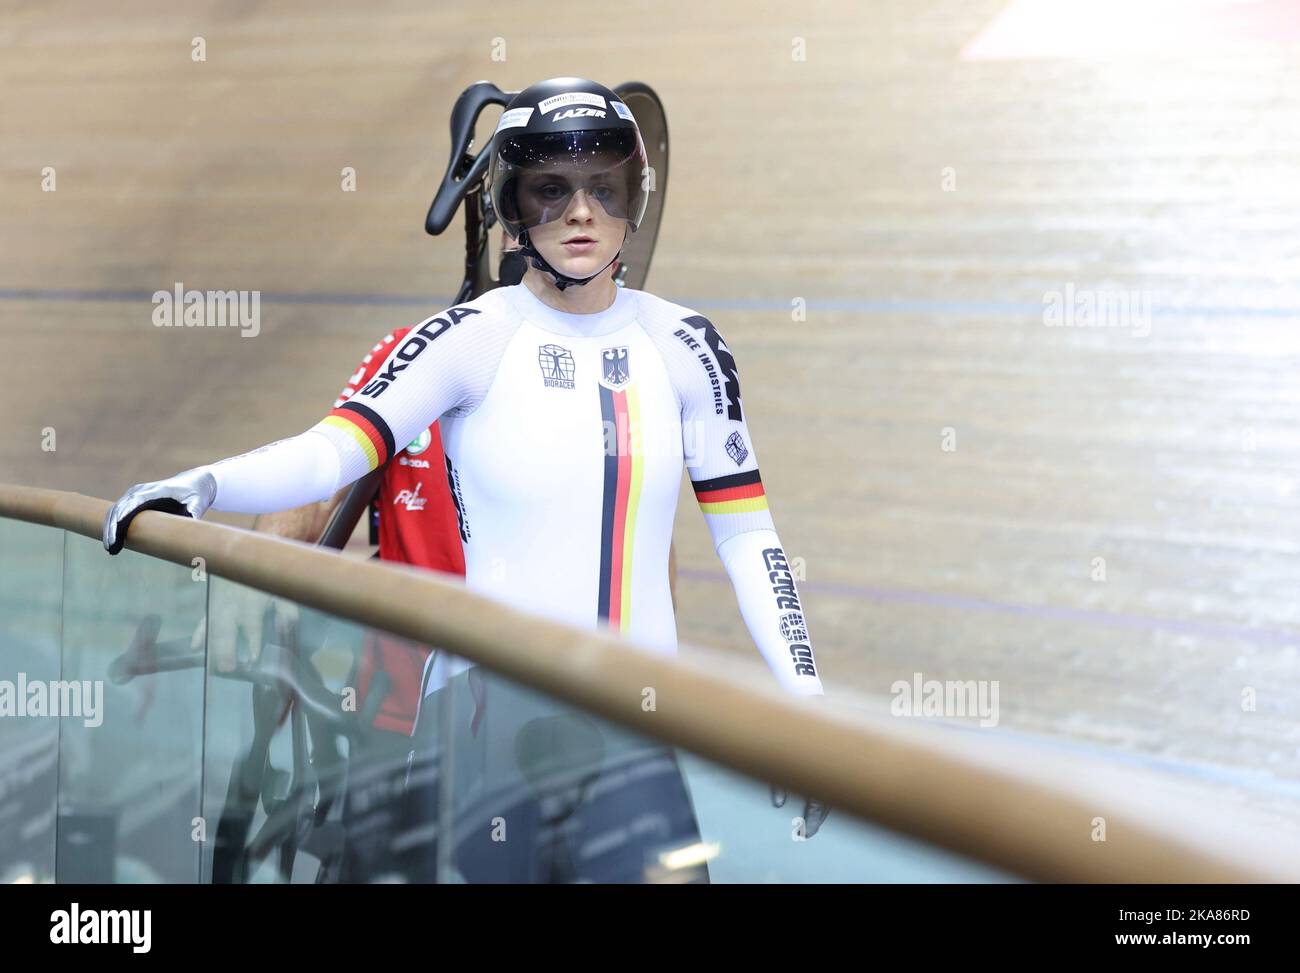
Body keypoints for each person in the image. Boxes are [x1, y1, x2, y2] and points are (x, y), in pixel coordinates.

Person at [103, 77, 829, 874]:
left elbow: (749, 536)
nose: (581, 212)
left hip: (634, 723)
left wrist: (809, 705)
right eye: (550, 191)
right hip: (484, 721)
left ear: (634, 200)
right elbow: (331, 453)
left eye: (603, 189)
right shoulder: (467, 339)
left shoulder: (690, 345)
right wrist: (202, 484)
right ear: (511, 208)